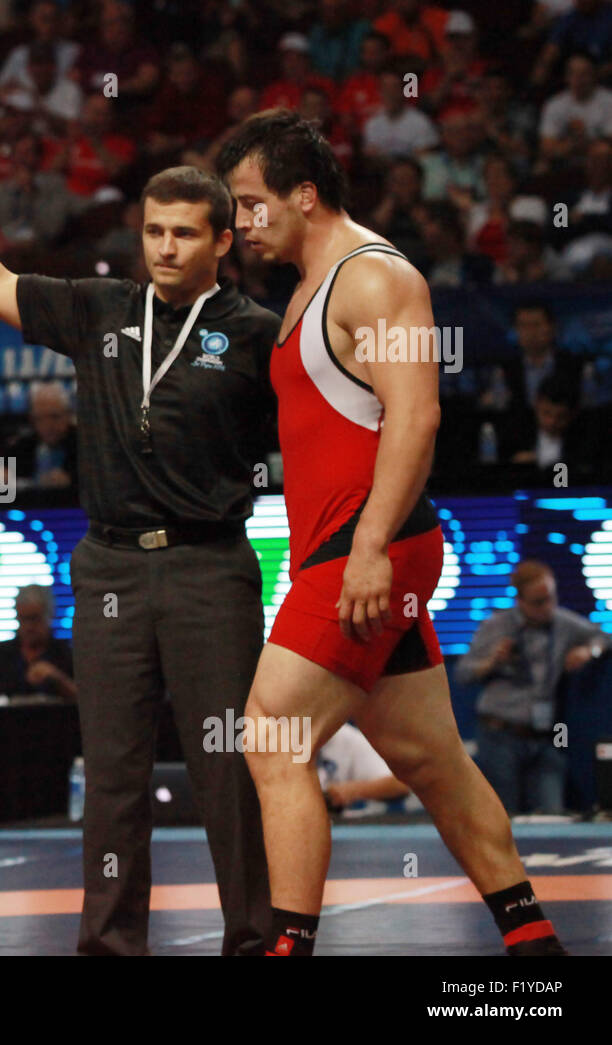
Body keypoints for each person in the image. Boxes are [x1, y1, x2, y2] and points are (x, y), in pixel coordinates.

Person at [0, 149, 278, 956]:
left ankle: (253, 940)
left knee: (229, 772)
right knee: (111, 773)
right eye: (153, 231)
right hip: (108, 567)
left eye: (183, 233)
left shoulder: (256, 336)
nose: (165, 247)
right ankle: (107, 944)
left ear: (221, 243)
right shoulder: (102, 308)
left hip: (209, 566)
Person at [217, 108, 567, 956]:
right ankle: (536, 947)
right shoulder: (308, 284)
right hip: (353, 547)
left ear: (305, 195)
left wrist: (371, 547)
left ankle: (288, 945)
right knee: (432, 758)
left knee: (271, 733)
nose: (242, 223)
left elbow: (416, 417)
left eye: (252, 203)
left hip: (368, 548)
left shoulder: (373, 277)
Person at [456, 560, 609, 814]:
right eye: (538, 602)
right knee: (502, 816)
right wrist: (493, 661)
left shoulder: (563, 623)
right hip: (500, 735)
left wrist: (589, 650)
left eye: (551, 598)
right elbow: (463, 674)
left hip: (546, 736)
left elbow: (604, 636)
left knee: (552, 816)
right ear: (520, 600)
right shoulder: (496, 626)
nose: (547, 607)